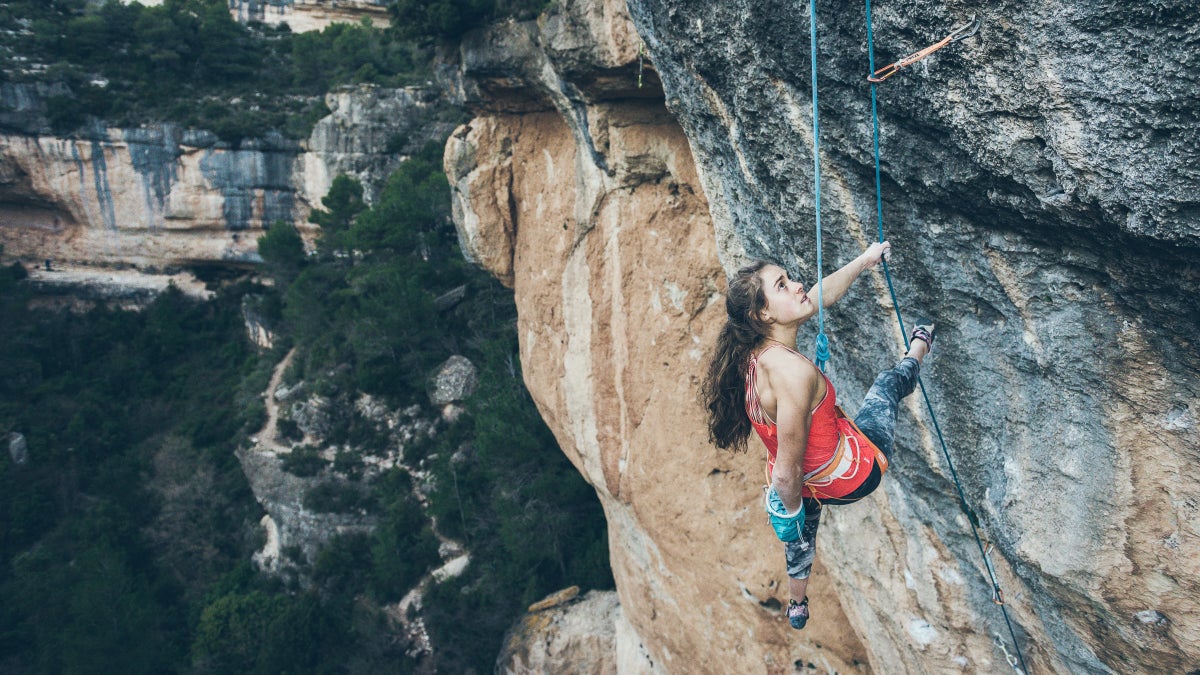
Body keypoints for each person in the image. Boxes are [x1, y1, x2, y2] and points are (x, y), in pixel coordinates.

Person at [701, 241, 934, 630]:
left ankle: (798, 603)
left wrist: (864, 260)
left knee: (800, 533)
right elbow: (789, 473)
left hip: (798, 474)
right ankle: (920, 345)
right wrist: (787, 512)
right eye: (781, 284)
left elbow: (817, 295)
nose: (796, 285)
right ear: (761, 313)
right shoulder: (792, 376)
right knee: (886, 386)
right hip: (850, 475)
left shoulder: (751, 352)